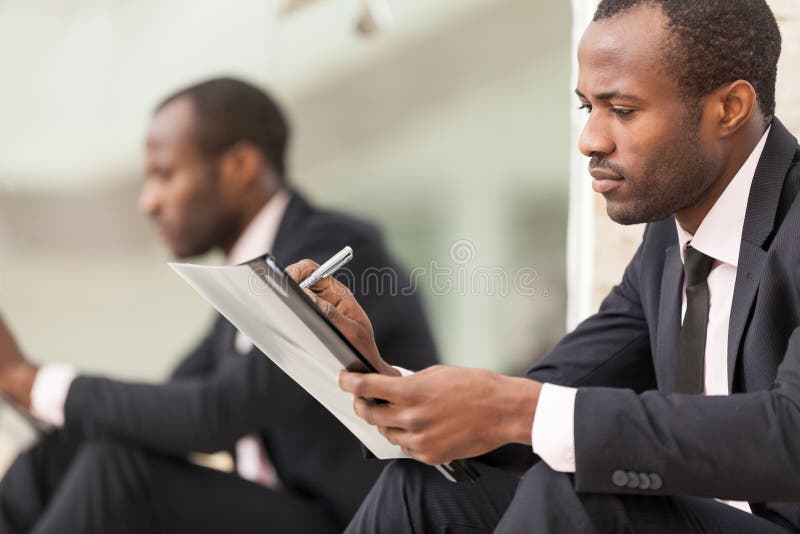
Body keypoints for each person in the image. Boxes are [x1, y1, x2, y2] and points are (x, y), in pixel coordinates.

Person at [286, 1, 800, 532]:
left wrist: (517, 409)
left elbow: (792, 433)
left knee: (579, 494)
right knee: (425, 489)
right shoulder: (668, 245)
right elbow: (553, 393)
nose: (591, 141)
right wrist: (386, 380)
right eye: (587, 109)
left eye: (622, 110)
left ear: (730, 107)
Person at [0, 77, 438, 534]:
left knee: (122, 470)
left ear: (240, 165)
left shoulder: (335, 252)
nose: (148, 202)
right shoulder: (246, 279)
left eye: (164, 174)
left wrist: (29, 380)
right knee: (52, 460)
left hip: (364, 520)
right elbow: (169, 409)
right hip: (282, 511)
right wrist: (25, 392)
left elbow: (215, 416)